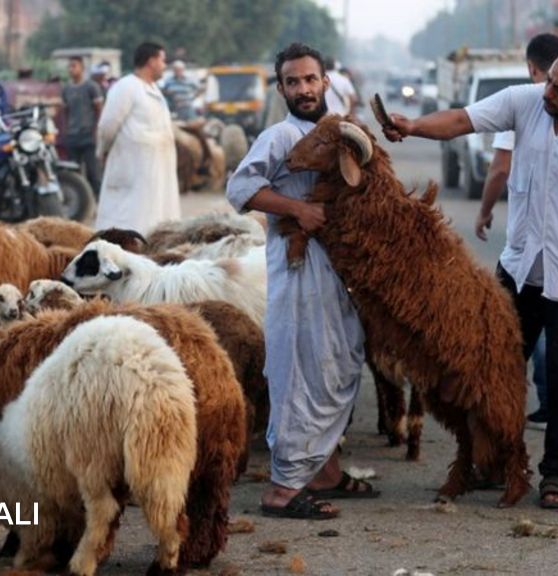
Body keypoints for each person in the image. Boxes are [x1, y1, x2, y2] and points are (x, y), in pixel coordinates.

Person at [383, 47, 558, 509]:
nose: (548, 92)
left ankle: (556, 475)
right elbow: (463, 120)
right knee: (488, 370)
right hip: (518, 271)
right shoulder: (525, 103)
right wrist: (415, 126)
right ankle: (490, 462)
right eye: (549, 81)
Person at [226, 43, 377, 521]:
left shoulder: (341, 134)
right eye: (293, 82)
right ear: (282, 89)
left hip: (336, 273)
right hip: (296, 274)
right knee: (299, 374)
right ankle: (283, 490)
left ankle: (325, 472)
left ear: (325, 82)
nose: (303, 89)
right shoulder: (279, 136)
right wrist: (298, 209)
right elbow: (239, 189)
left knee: (338, 364)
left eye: (310, 80)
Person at [475, 33, 558, 432]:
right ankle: (547, 406)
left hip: (529, 257)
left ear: (532, 67)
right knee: (550, 336)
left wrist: (484, 211)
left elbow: (499, 168)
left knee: (511, 343)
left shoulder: (528, 102)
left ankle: (508, 418)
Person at [95, 42, 180, 233]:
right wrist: (103, 150)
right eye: (162, 60)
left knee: (157, 220)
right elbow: (107, 125)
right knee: (127, 223)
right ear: (151, 61)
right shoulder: (126, 87)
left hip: (157, 168)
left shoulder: (154, 89)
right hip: (132, 167)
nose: (165, 65)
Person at [61, 55, 104, 197]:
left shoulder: (91, 87)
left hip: (88, 135)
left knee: (93, 173)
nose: (71, 69)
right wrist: (65, 131)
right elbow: (65, 112)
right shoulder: (66, 89)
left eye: (74, 66)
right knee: (74, 173)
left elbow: (99, 110)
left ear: (82, 68)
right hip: (73, 136)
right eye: (69, 66)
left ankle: (98, 202)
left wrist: (96, 131)